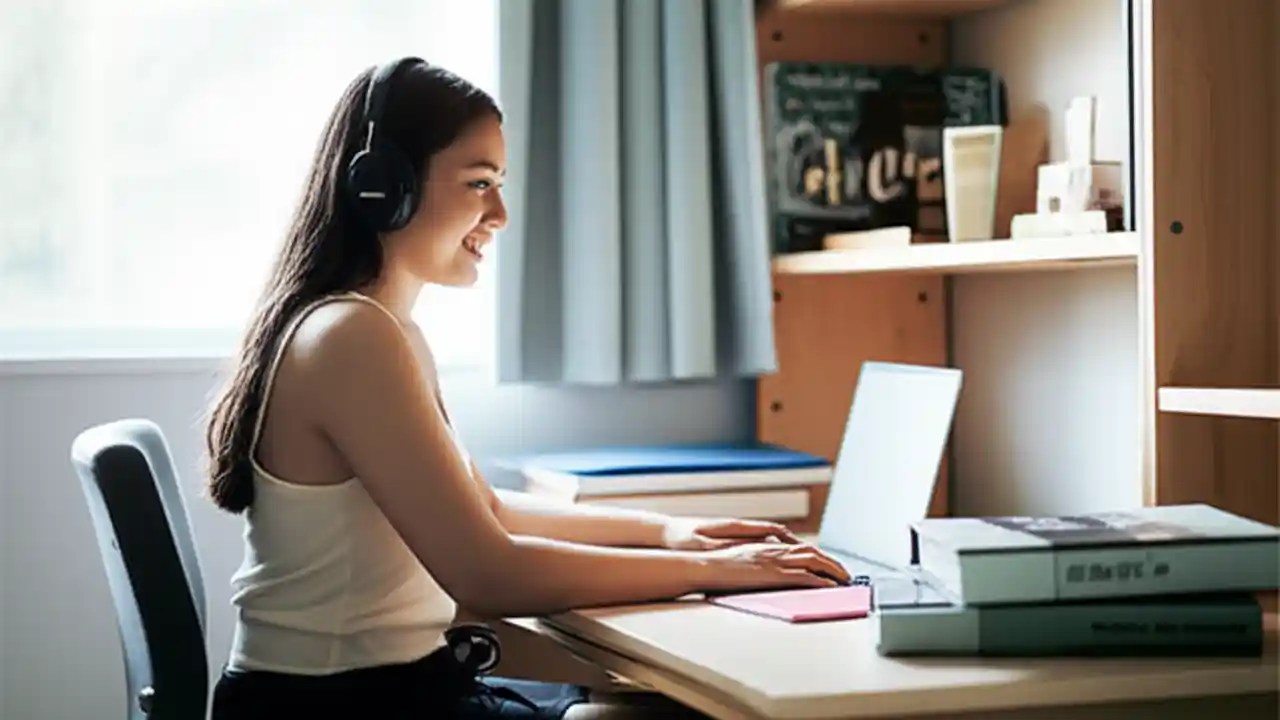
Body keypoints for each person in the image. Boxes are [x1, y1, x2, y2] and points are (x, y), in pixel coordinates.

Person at [203, 57, 850, 720]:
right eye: (480, 183)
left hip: (382, 693)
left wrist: (670, 535)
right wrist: (718, 573)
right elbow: (488, 573)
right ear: (383, 186)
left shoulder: (378, 331)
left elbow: (489, 512)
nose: (502, 214)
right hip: (338, 707)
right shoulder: (349, 339)